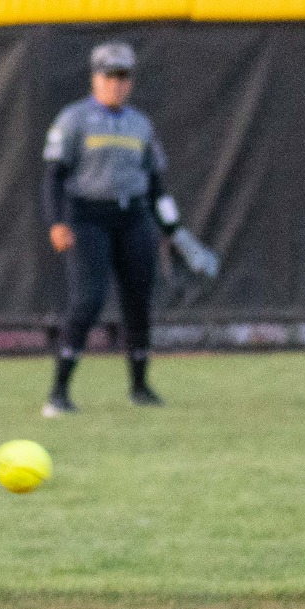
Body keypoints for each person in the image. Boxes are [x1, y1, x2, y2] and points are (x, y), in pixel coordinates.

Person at [40, 40, 191, 417]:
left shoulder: (140, 124)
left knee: (139, 300)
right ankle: (59, 392)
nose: (116, 84)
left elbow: (156, 184)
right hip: (87, 216)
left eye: (124, 76)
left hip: (133, 216)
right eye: (109, 76)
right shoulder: (74, 119)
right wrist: (57, 221)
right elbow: (54, 176)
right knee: (89, 298)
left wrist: (174, 228)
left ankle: (140, 387)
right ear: (95, 78)